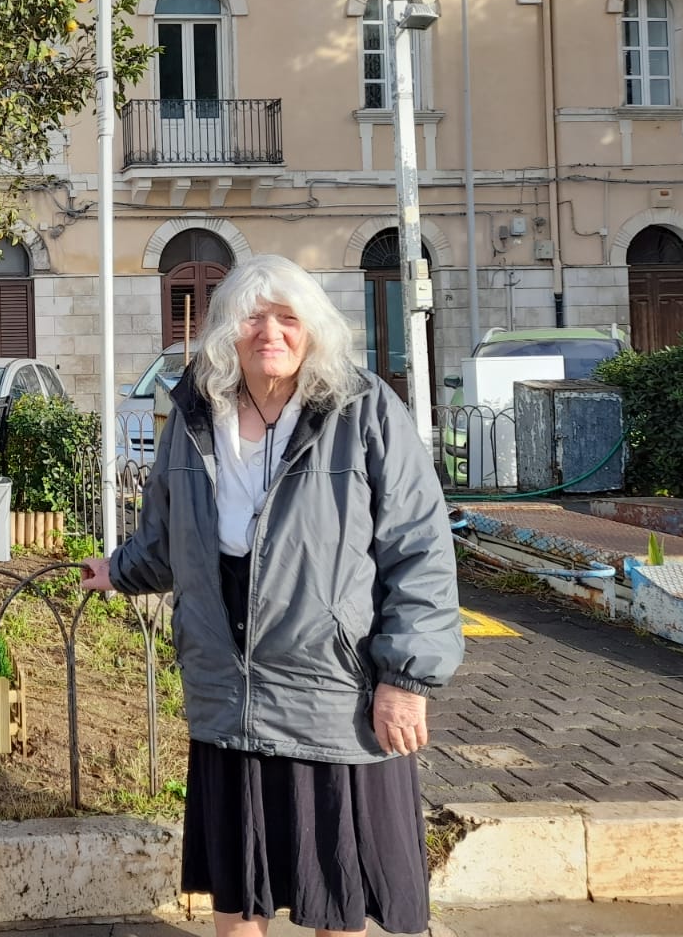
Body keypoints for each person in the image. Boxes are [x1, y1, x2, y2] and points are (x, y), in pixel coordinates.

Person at [81, 254, 461, 937]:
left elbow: (420, 545)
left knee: (336, 884)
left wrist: (406, 677)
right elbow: (171, 535)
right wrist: (119, 570)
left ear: (313, 329)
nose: (270, 333)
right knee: (239, 885)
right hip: (229, 683)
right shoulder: (198, 410)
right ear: (228, 328)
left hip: (331, 686)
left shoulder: (364, 407)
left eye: (288, 318)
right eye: (253, 317)